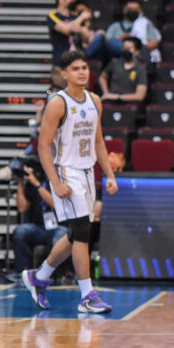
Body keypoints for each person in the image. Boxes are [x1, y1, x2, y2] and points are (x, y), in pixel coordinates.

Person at [20, 50, 119, 313]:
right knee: (83, 233)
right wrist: (55, 182)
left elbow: (98, 141)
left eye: (85, 67)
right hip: (66, 171)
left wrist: (109, 175)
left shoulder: (95, 100)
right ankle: (87, 295)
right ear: (64, 74)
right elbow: (42, 147)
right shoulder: (57, 103)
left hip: (87, 173)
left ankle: (39, 277)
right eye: (76, 68)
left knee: (77, 234)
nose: (82, 72)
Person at [11, 161, 69, 279]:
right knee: (20, 232)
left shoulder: (61, 182)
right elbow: (22, 207)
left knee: (59, 239)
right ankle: (21, 272)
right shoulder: (35, 182)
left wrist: (37, 184)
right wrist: (20, 183)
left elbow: (55, 204)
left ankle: (58, 274)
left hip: (58, 227)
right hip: (39, 227)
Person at [99, 36, 148, 103]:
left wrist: (118, 97)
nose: (125, 51)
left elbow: (140, 96)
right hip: (111, 101)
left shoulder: (141, 69)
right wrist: (106, 92)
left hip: (130, 104)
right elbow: (102, 77)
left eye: (128, 48)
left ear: (137, 52)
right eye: (124, 48)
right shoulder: (114, 62)